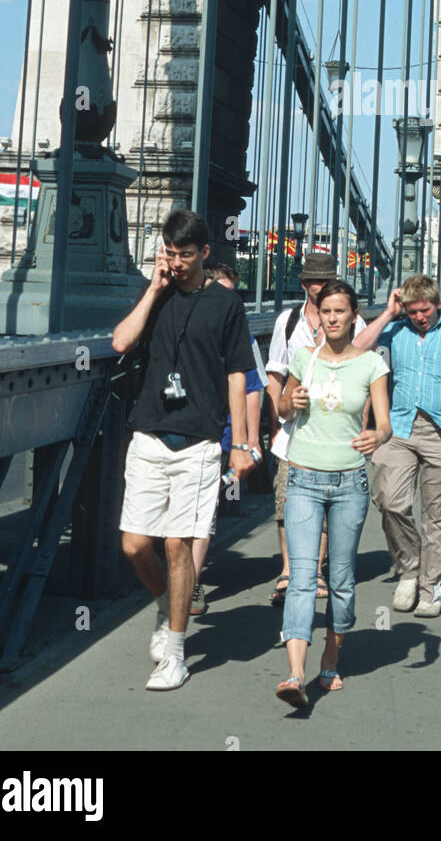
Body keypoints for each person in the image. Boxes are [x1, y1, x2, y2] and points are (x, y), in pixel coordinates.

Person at [112, 210, 256, 691]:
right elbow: (120, 342)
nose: (175, 263)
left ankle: (175, 652)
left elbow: (238, 374)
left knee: (177, 545)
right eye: (169, 253)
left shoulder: (225, 305)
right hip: (149, 433)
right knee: (134, 545)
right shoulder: (157, 293)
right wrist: (153, 289)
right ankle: (165, 603)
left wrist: (240, 443)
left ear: (205, 253)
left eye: (185, 255)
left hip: (198, 441)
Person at [276, 280, 391, 708]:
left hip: (349, 484)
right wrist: (292, 402)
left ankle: (330, 654)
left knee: (341, 582)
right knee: (303, 580)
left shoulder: (372, 365)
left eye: (341, 311)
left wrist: (374, 438)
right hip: (303, 478)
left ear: (353, 315)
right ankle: (294, 674)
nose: (333, 318)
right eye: (326, 312)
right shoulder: (303, 358)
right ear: (318, 316)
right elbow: (282, 408)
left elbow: (385, 425)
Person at [354, 274, 441, 618]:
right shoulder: (395, 330)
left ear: (437, 304)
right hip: (398, 428)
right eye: (413, 311)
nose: (419, 316)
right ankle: (409, 569)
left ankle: (432, 587)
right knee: (389, 501)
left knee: (438, 516)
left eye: (425, 309)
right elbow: (355, 350)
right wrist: (388, 314)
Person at [265, 253, 366, 606]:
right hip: (292, 429)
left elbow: (367, 374)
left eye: (323, 282)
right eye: (311, 281)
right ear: (304, 283)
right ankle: (290, 570)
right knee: (285, 498)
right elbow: (275, 375)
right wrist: (278, 420)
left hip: (335, 431)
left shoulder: (355, 323)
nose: (317, 287)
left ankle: (317, 569)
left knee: (322, 501)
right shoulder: (287, 322)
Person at [189, 262, 266, 616]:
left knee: (202, 515)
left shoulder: (244, 338)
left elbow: (252, 390)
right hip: (179, 433)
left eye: (233, 296)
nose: (228, 304)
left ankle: (189, 584)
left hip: (218, 440)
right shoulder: (183, 322)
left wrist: (249, 440)